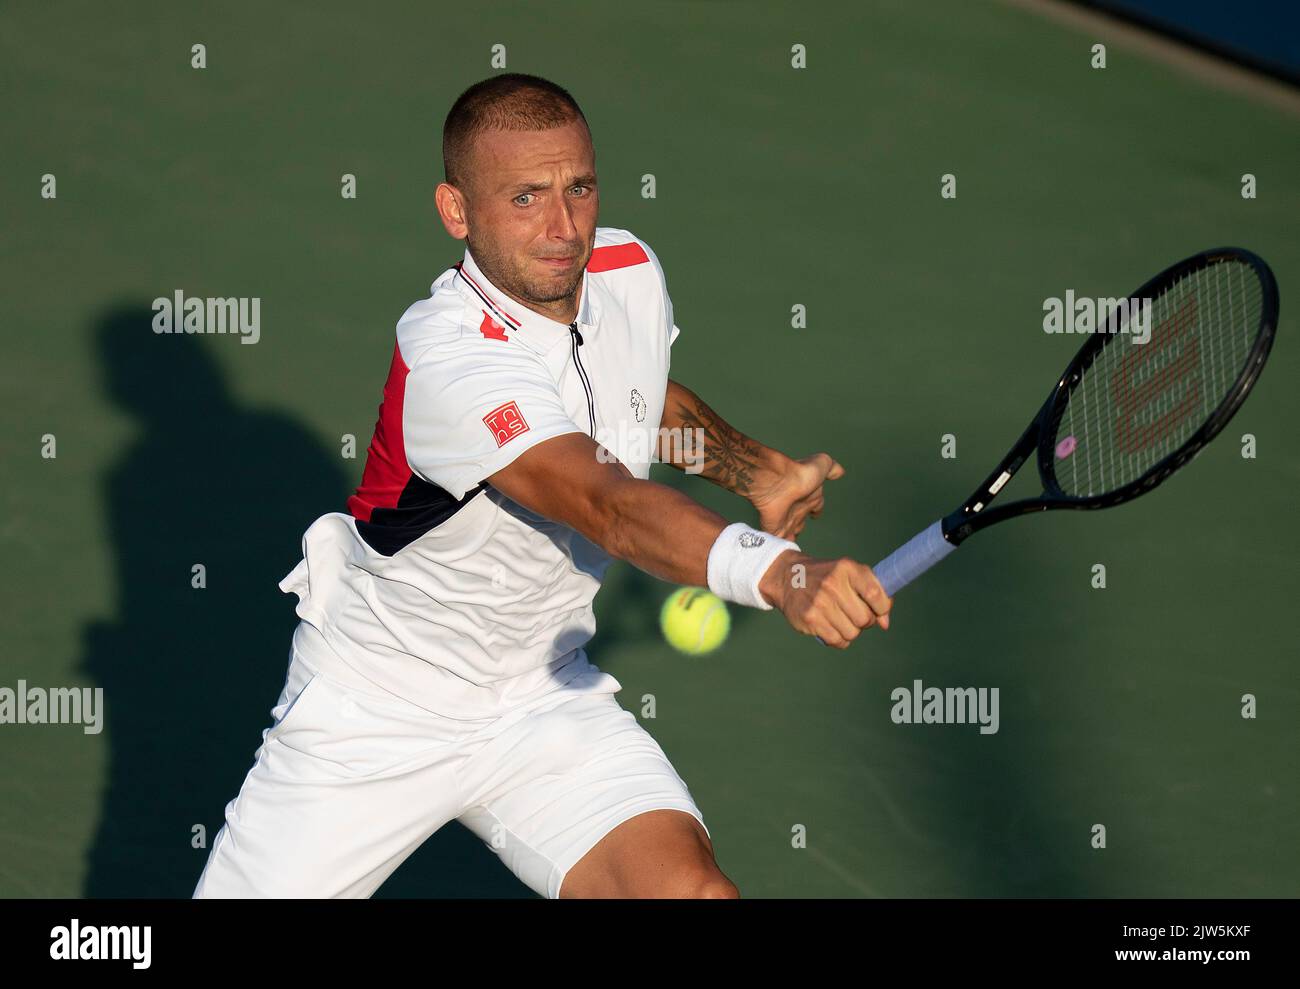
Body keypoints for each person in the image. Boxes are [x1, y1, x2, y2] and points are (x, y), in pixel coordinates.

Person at [193, 72, 892, 899]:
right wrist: (778, 570)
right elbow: (608, 504)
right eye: (526, 198)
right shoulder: (448, 357)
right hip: (377, 709)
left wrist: (754, 469)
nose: (564, 229)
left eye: (579, 188)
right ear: (456, 212)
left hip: (541, 695)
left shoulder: (627, 270)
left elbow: (638, 393)